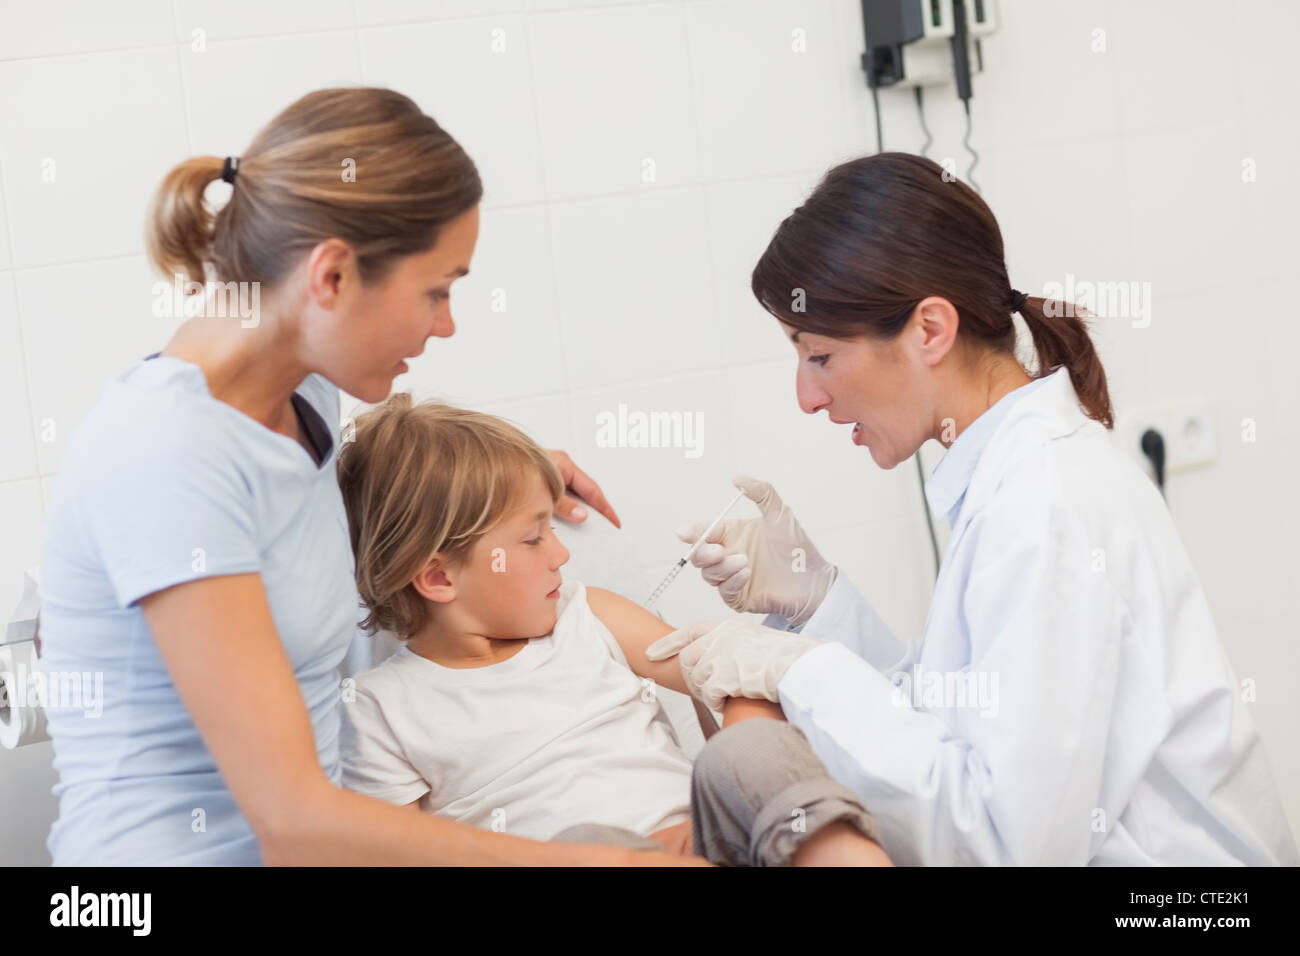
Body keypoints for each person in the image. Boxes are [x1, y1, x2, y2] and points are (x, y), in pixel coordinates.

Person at [36, 86, 695, 865]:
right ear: (333, 277)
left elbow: (307, 531)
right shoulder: (165, 454)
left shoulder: (302, 394)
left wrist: (493, 496)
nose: (446, 322)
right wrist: (621, 864)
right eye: (437, 290)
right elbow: (296, 824)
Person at [647, 152, 1300, 867]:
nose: (807, 396)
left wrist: (794, 670)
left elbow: (1006, 842)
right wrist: (816, 604)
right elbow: (955, 723)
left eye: (820, 356)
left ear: (930, 329)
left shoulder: (1045, 504)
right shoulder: (1014, 477)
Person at [333, 395, 890, 866]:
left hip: (712, 839)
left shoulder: (588, 615)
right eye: (532, 539)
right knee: (586, 844)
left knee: (749, 748)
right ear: (437, 576)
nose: (560, 552)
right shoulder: (379, 710)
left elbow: (727, 677)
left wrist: (730, 768)